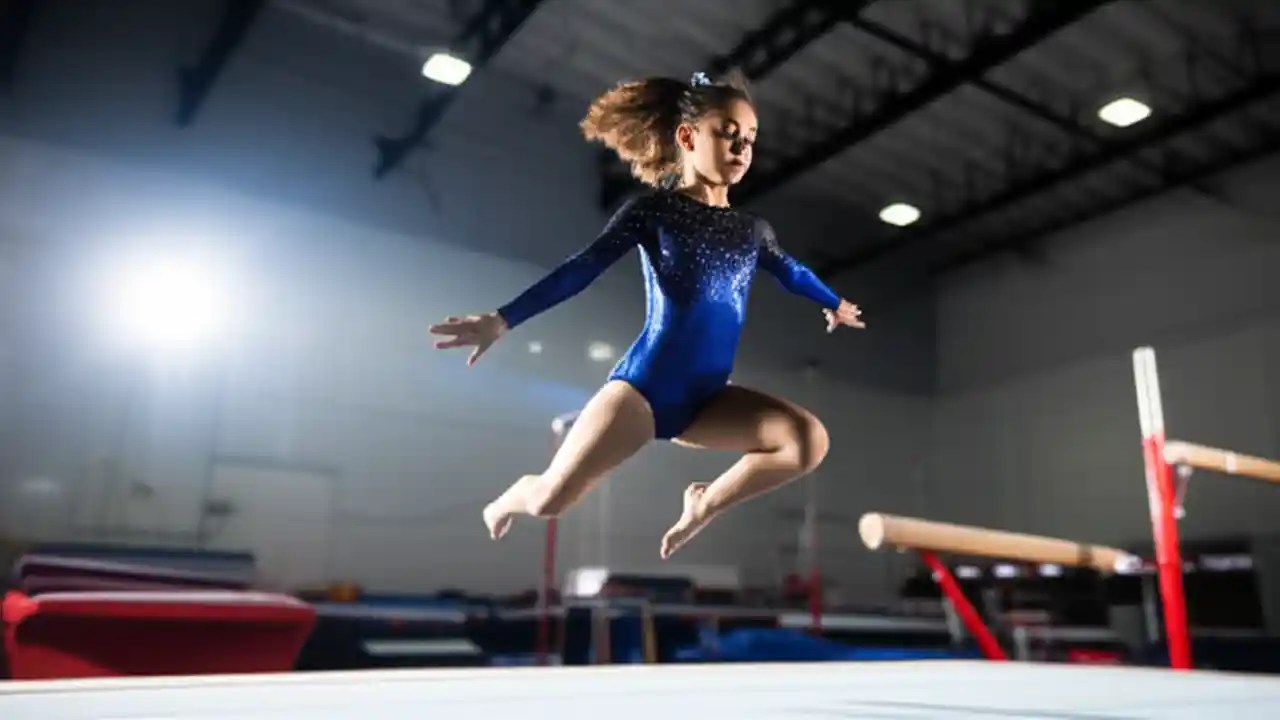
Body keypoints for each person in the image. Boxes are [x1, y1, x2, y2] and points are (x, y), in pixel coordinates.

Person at [429, 70, 865, 559]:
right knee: (552, 499)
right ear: (687, 136)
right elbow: (582, 268)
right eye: (727, 132)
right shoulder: (655, 212)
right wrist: (502, 319)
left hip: (707, 401)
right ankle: (513, 496)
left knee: (807, 441)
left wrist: (832, 302)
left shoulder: (753, 230)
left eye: (750, 138)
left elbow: (792, 272)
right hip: (642, 393)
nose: (742, 147)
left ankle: (705, 503)